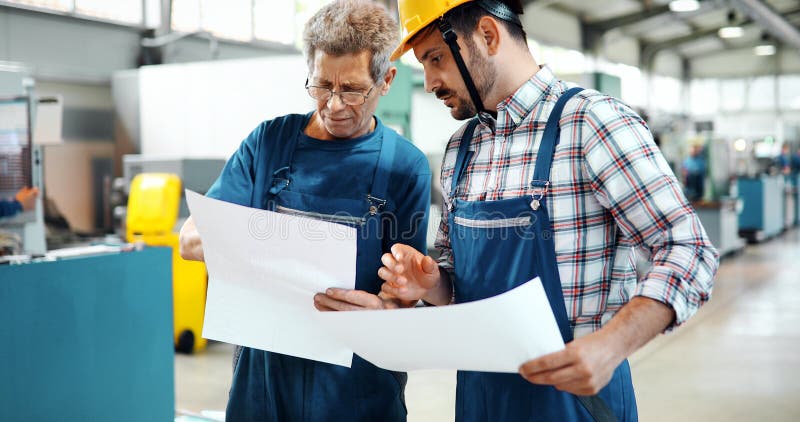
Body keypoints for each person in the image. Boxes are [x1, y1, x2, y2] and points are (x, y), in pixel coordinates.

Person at [317, 0, 718, 420]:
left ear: (487, 35)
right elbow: (459, 285)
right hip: (481, 402)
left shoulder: (591, 123)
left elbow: (687, 248)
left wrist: (611, 346)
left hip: (577, 404)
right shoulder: (461, 149)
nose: (430, 81)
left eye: (436, 58)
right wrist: (432, 283)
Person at [178, 1, 430, 420]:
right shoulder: (267, 143)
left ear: (386, 80)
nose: (333, 105)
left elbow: (406, 297)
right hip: (263, 381)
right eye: (321, 86)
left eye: (351, 90)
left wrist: (382, 312)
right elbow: (191, 240)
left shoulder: (404, 167)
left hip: (357, 385)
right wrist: (282, 253)